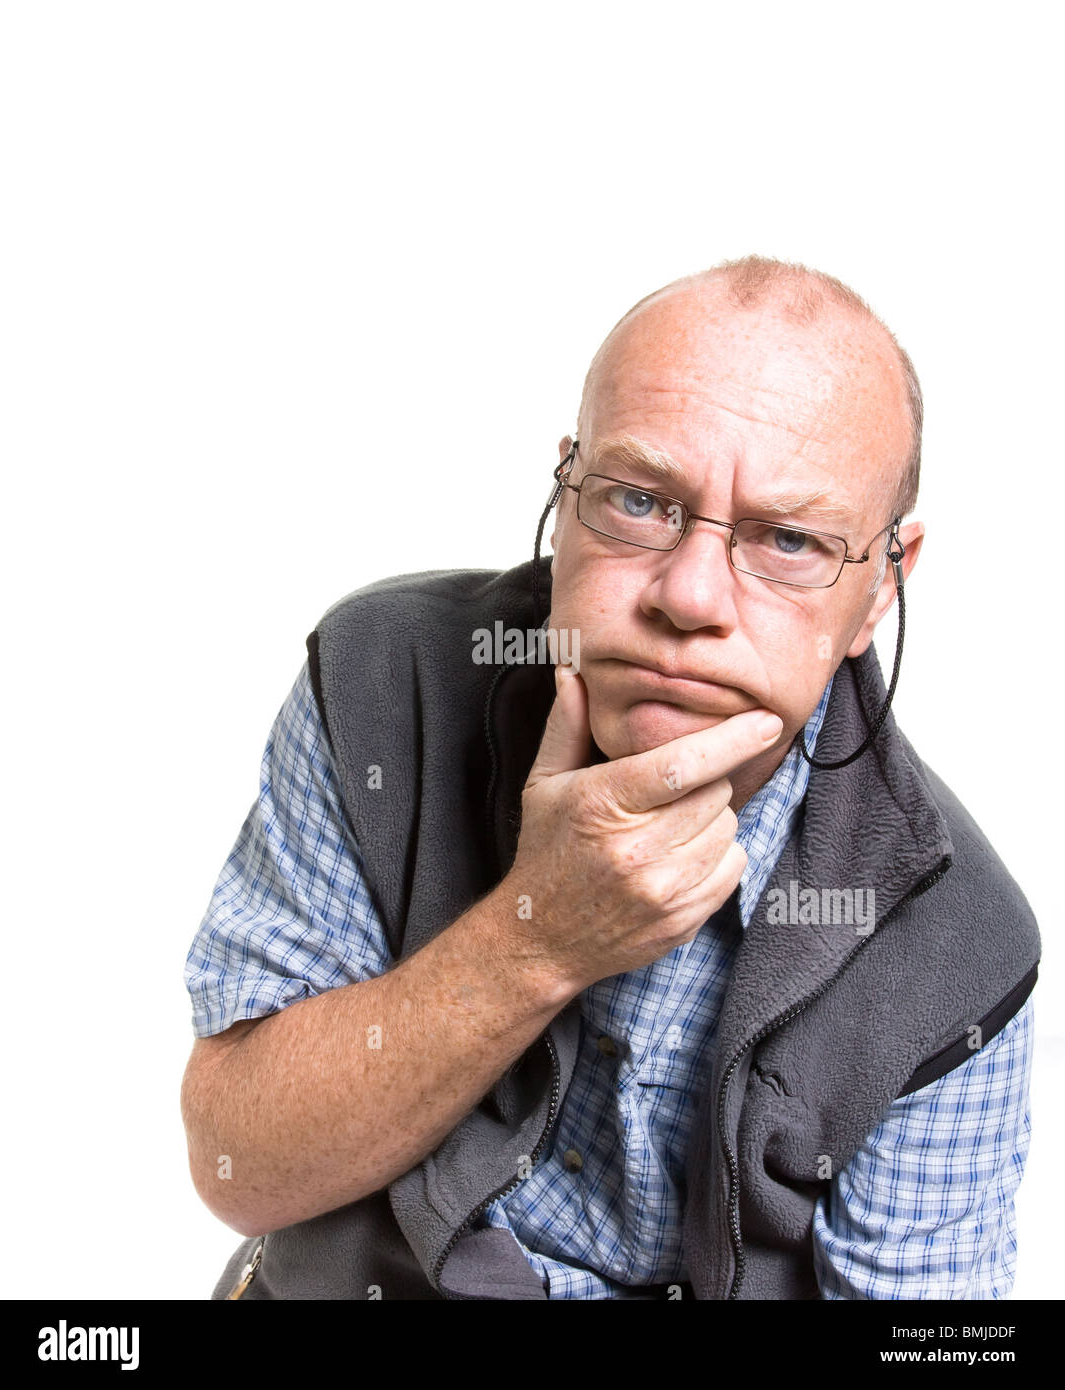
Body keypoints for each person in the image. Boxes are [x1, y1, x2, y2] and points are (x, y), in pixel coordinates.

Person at [181, 255, 1039, 1300]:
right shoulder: (381, 681)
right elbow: (238, 1165)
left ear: (881, 588)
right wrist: (535, 938)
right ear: (566, 489)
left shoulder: (960, 942)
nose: (687, 596)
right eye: (639, 501)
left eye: (788, 540)